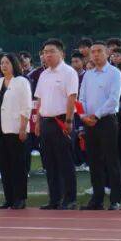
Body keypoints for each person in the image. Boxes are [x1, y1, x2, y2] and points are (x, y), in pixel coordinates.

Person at [34, 38, 79, 210]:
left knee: (65, 162)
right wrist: (37, 122)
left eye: (51, 51)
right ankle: (54, 199)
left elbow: (72, 97)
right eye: (45, 52)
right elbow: (39, 100)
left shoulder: (69, 72)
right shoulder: (44, 74)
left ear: (62, 53)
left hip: (62, 121)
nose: (48, 55)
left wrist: (68, 120)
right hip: (46, 121)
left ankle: (70, 199)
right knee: (49, 163)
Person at [78, 43, 121, 211]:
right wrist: (83, 116)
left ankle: (115, 199)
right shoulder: (88, 75)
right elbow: (81, 98)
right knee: (94, 161)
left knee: (111, 160)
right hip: (89, 122)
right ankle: (97, 199)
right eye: (93, 52)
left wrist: (96, 115)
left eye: (99, 51)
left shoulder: (114, 73)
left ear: (107, 53)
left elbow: (113, 99)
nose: (96, 55)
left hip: (106, 121)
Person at [0, 53, 32, 210]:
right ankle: (9, 198)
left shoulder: (21, 81)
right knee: (4, 165)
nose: (4, 65)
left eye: (7, 62)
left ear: (14, 64)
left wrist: (23, 127)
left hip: (15, 129)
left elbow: (26, 106)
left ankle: (20, 198)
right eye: (2, 63)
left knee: (18, 165)